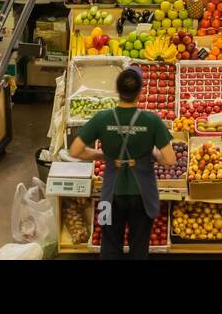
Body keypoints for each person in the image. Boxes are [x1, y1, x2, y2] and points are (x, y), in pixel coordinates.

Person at [68, 67, 176, 260]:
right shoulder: (152, 120)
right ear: (140, 92)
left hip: (110, 195)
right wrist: (152, 154)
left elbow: (75, 150)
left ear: (117, 91)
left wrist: (103, 155)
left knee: (109, 245)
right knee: (139, 248)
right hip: (143, 196)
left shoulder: (102, 118)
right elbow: (169, 159)